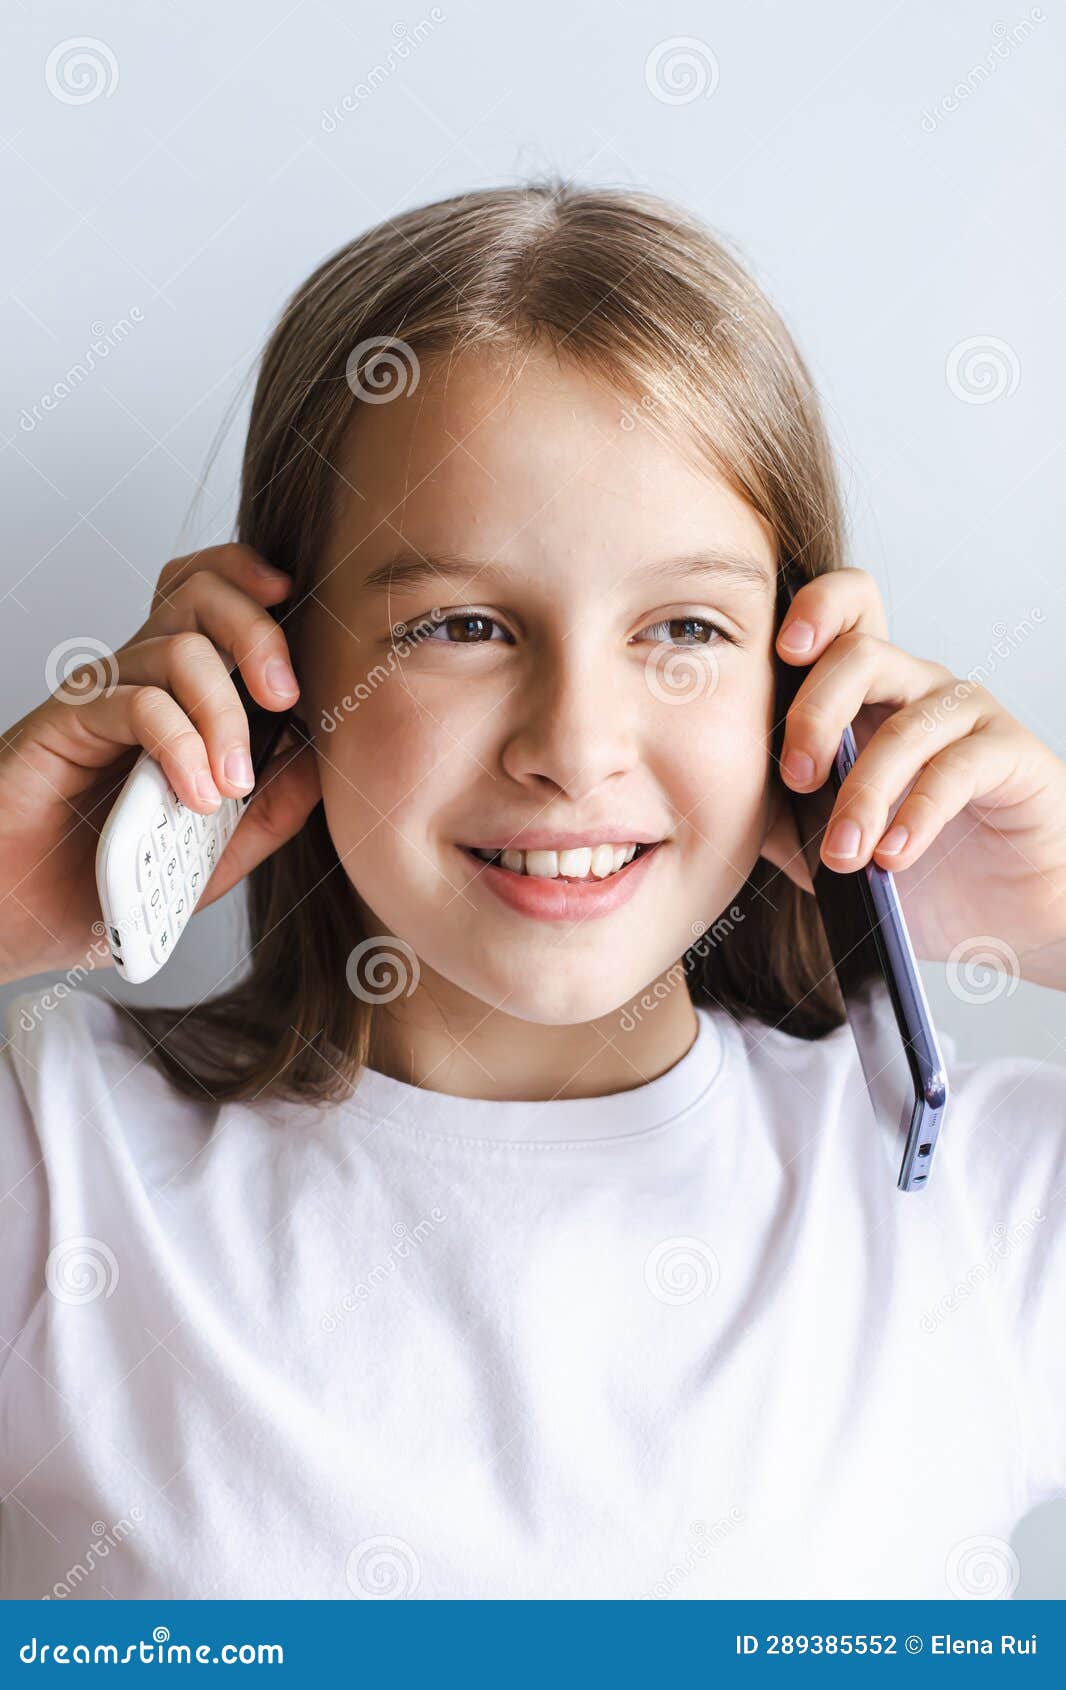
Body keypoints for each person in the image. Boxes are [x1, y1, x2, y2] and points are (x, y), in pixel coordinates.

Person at [1, 181, 1064, 1602]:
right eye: (460, 625)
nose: (572, 744)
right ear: (279, 672)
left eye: (684, 627)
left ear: (800, 691)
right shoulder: (58, 1170)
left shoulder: (984, 1207)